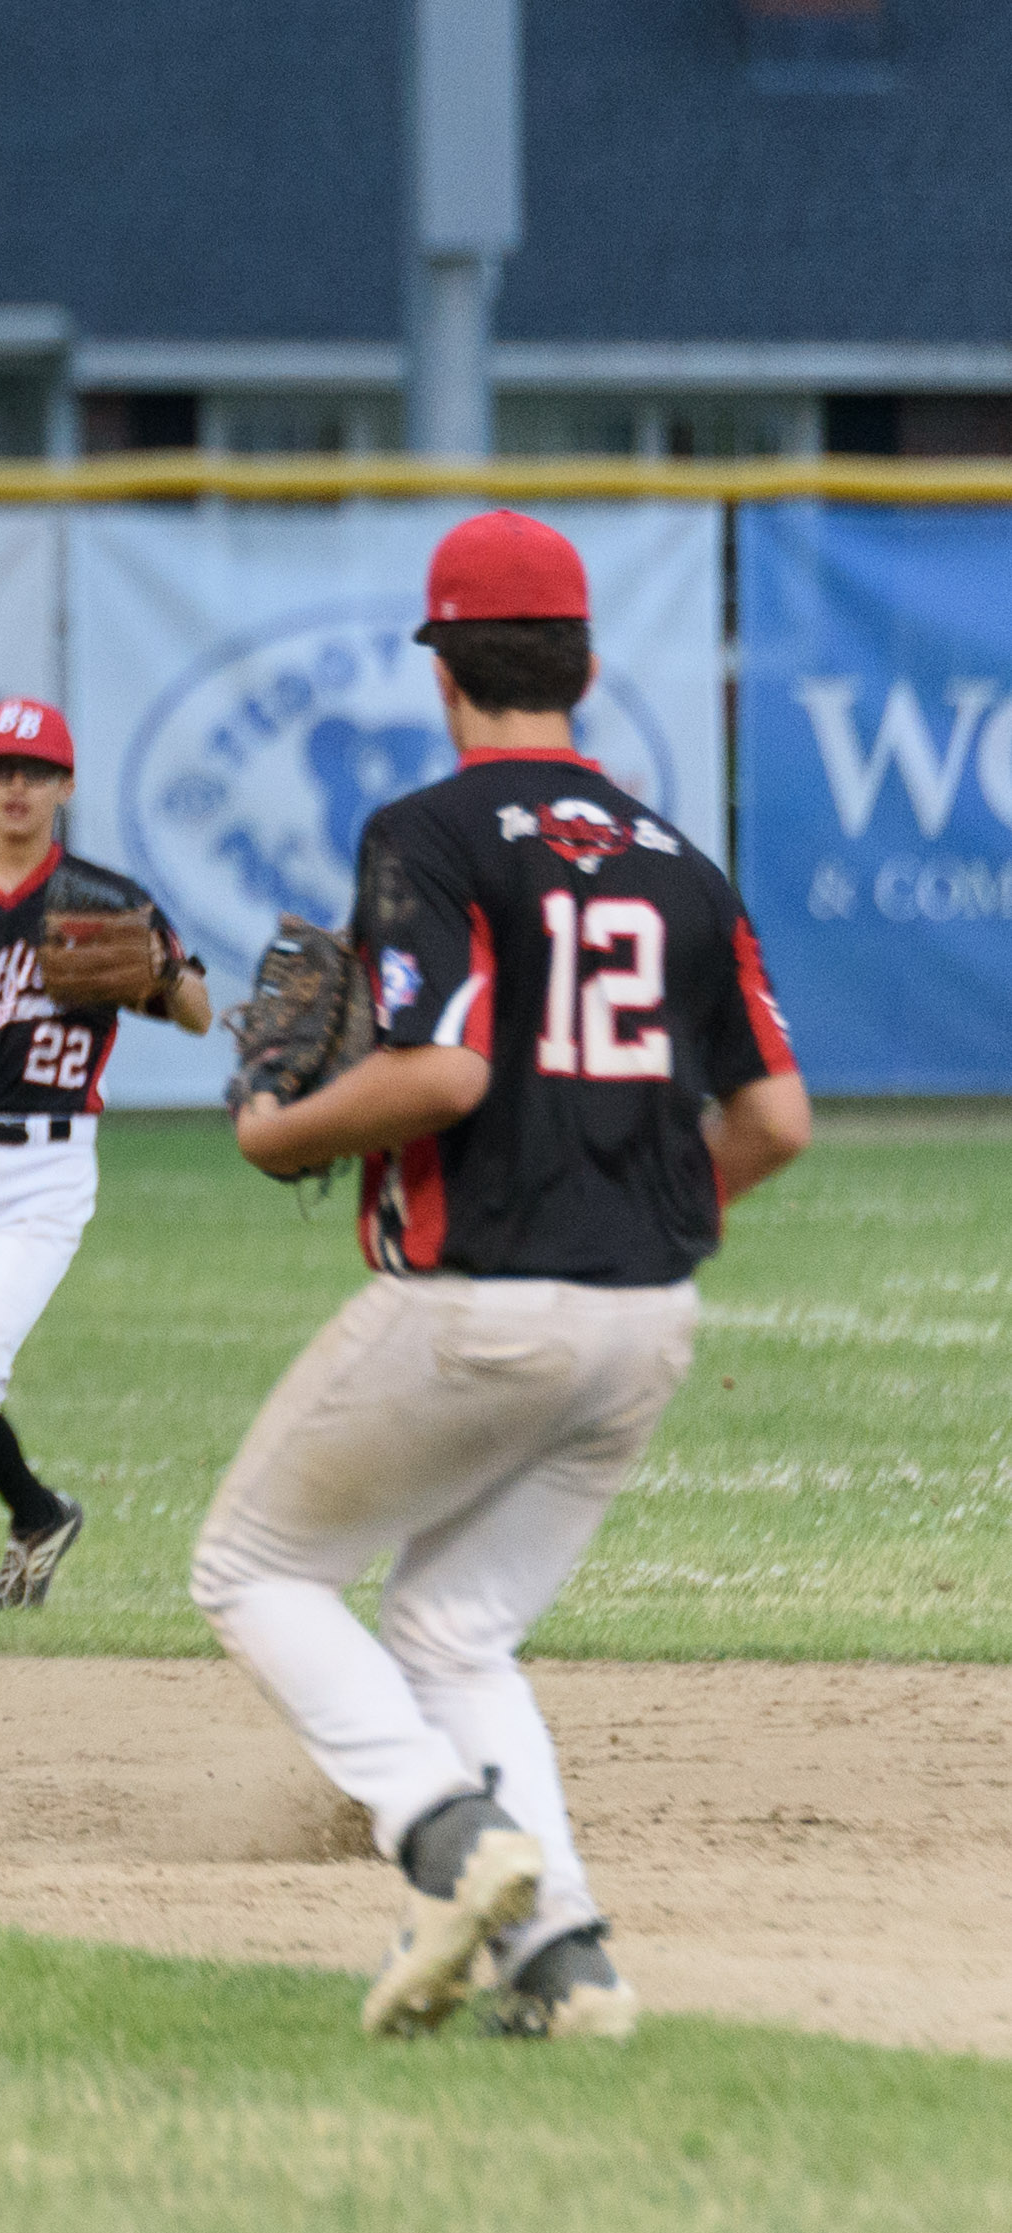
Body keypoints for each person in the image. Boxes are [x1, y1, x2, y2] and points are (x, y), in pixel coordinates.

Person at [195, 509, 811, 2042]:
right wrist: (649, 1208)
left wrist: (279, 1127)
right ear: (585, 666)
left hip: (480, 1298)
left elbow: (446, 1074)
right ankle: (564, 1959)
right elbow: (774, 1119)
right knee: (456, 1629)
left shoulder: (433, 831)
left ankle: (440, 1825)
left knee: (252, 1567)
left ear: (443, 670)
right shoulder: (682, 864)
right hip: (647, 1315)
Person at [0, 698, 212, 1615]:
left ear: (65, 786)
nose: (18, 787)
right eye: (0, 769)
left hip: (50, 1169)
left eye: (37, 771)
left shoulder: (98, 896)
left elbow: (199, 1009)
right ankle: (40, 1513)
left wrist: (163, 975)